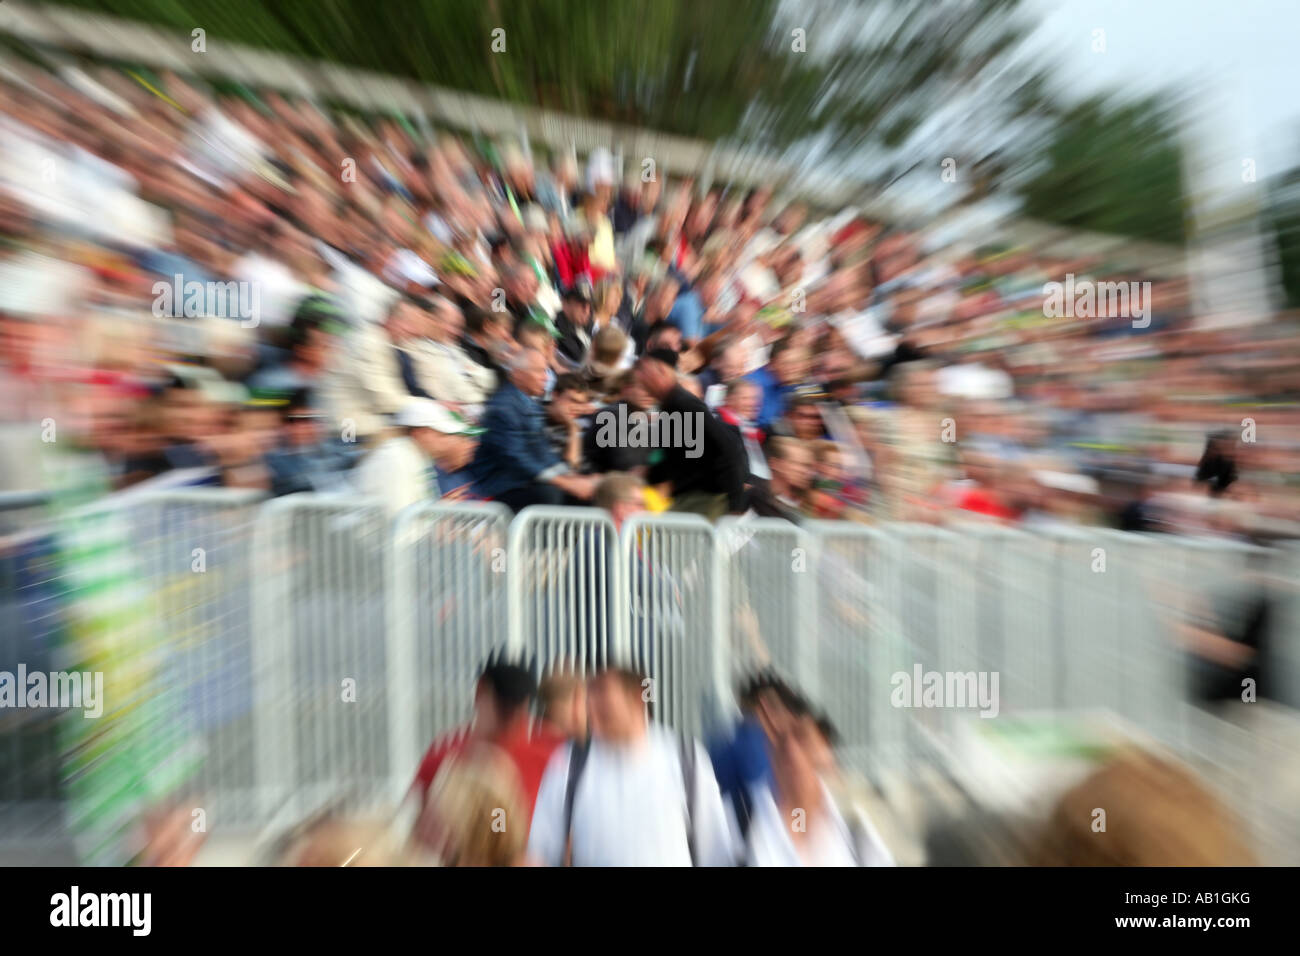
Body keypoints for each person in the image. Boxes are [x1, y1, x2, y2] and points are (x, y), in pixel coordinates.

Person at [527, 664, 734, 866]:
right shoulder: (569, 761)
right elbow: (541, 848)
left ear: (636, 699)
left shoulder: (685, 758)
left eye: (604, 698)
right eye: (592, 696)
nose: (593, 708)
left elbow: (715, 849)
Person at [468, 348, 599, 511]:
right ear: (517, 373)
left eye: (546, 371)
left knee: (592, 493)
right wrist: (565, 482)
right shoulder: (503, 407)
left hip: (523, 481)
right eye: (539, 371)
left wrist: (573, 479)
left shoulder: (529, 403)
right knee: (551, 494)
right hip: (499, 487)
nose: (546, 378)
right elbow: (517, 459)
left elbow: (542, 453)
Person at [635, 348, 747, 520]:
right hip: (691, 497)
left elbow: (728, 448)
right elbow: (677, 461)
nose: (640, 380)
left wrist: (736, 503)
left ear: (662, 371)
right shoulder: (670, 406)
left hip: (708, 499)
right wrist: (647, 473)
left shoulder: (684, 404)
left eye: (644, 373)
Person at [352, 396, 480, 516]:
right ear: (421, 433)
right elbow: (398, 519)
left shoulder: (415, 457)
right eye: (442, 434)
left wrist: (440, 508)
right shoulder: (396, 459)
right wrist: (438, 513)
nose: (448, 441)